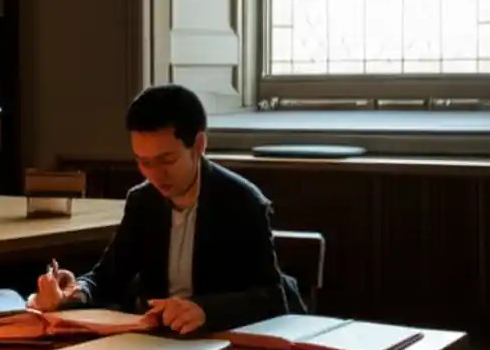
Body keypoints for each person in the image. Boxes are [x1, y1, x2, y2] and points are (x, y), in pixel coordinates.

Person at [29, 84, 298, 334]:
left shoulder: (242, 201)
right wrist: (74, 294)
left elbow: (272, 297)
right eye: (144, 162)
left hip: (225, 340)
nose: (155, 175)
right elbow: (108, 277)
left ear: (199, 146)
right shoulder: (143, 201)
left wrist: (205, 310)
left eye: (166, 159)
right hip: (156, 340)